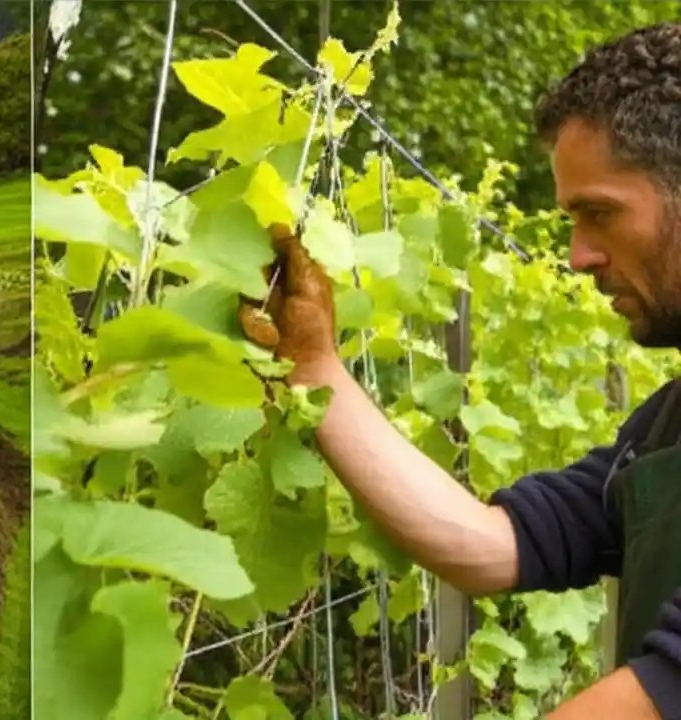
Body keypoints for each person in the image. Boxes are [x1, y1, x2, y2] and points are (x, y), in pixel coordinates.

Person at [238, 23, 681, 720]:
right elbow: (489, 545)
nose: (578, 256)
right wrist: (311, 364)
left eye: (600, 213)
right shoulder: (664, 429)